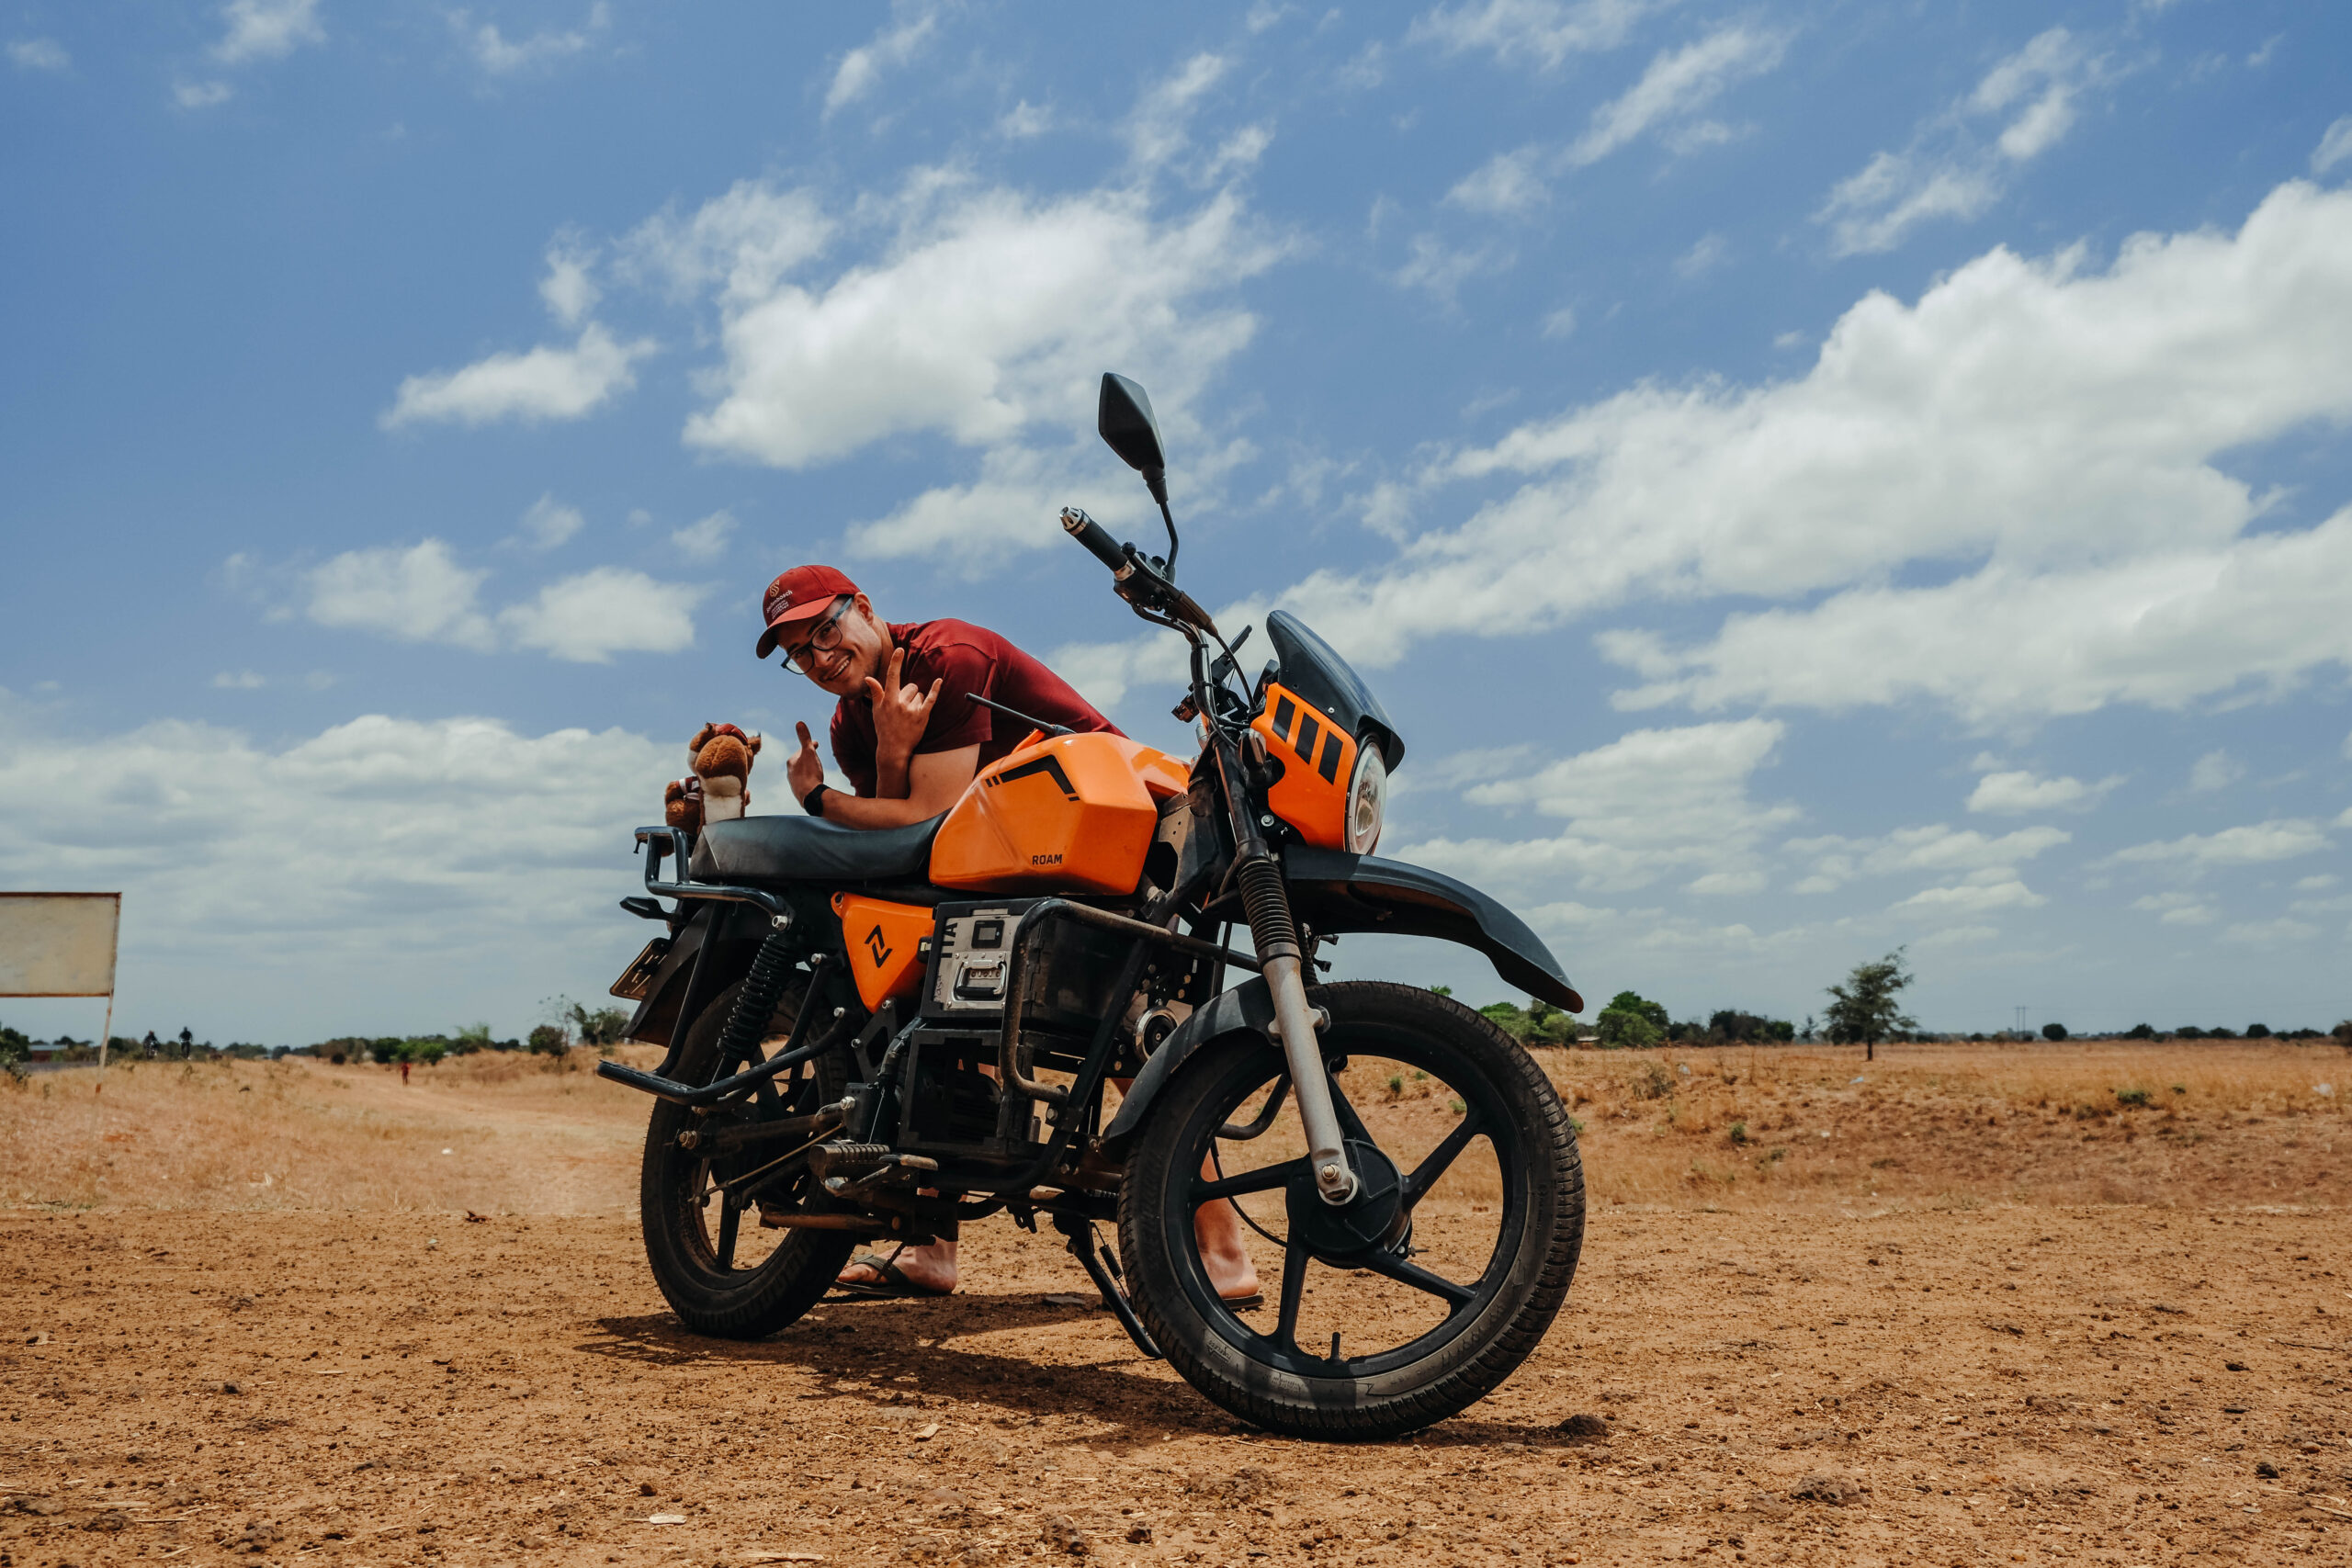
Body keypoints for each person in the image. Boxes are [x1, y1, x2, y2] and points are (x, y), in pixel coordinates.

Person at [758, 564, 1260, 1305]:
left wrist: (817, 799)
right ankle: (932, 1248)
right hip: (1005, 868)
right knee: (938, 1013)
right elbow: (901, 848)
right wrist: (891, 750)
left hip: (1104, 841)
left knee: (1125, 1035)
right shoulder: (850, 721)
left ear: (863, 606)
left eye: (826, 629)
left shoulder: (946, 657)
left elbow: (917, 820)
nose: (820, 657)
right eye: (800, 652)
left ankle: (1223, 1253)